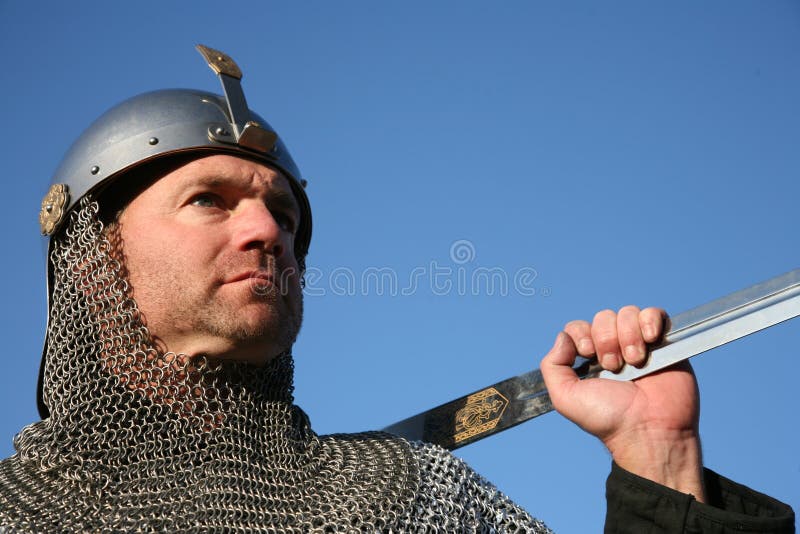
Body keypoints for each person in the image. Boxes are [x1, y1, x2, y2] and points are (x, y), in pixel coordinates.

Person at [0, 45, 793, 533]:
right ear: (91, 257)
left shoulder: (411, 501)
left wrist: (660, 461)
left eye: (282, 211)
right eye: (210, 199)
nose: (266, 232)